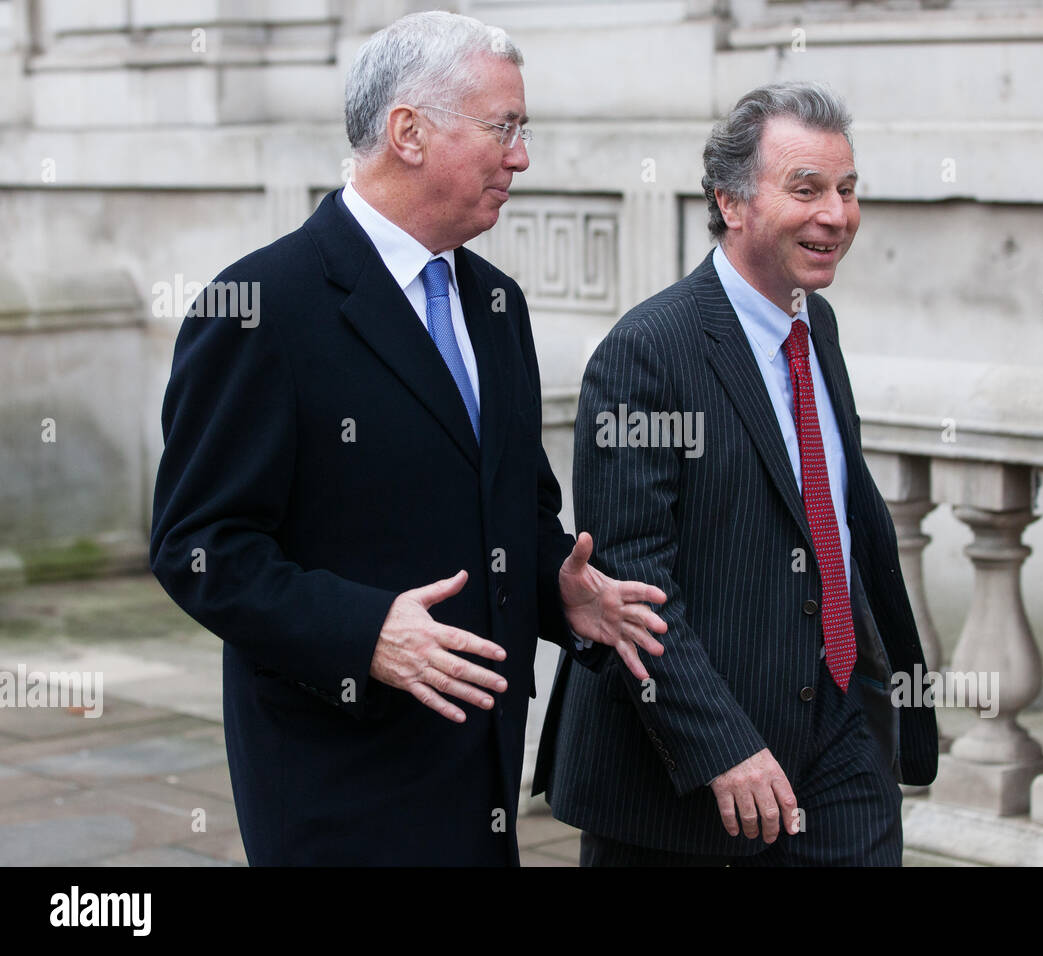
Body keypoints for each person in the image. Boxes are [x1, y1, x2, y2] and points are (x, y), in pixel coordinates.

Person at [149, 11, 665, 866]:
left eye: (522, 129)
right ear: (409, 132)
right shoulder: (261, 304)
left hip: (482, 772)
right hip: (339, 780)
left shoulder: (497, 303)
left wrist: (557, 590)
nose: (522, 156)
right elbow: (199, 547)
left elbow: (515, 504)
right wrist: (366, 632)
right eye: (503, 128)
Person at [535, 82, 938, 866]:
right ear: (731, 201)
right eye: (807, 189)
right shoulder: (646, 352)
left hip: (840, 741)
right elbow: (632, 589)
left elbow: (835, 516)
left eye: (848, 190)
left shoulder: (815, 323)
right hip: (684, 779)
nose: (837, 214)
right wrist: (721, 746)